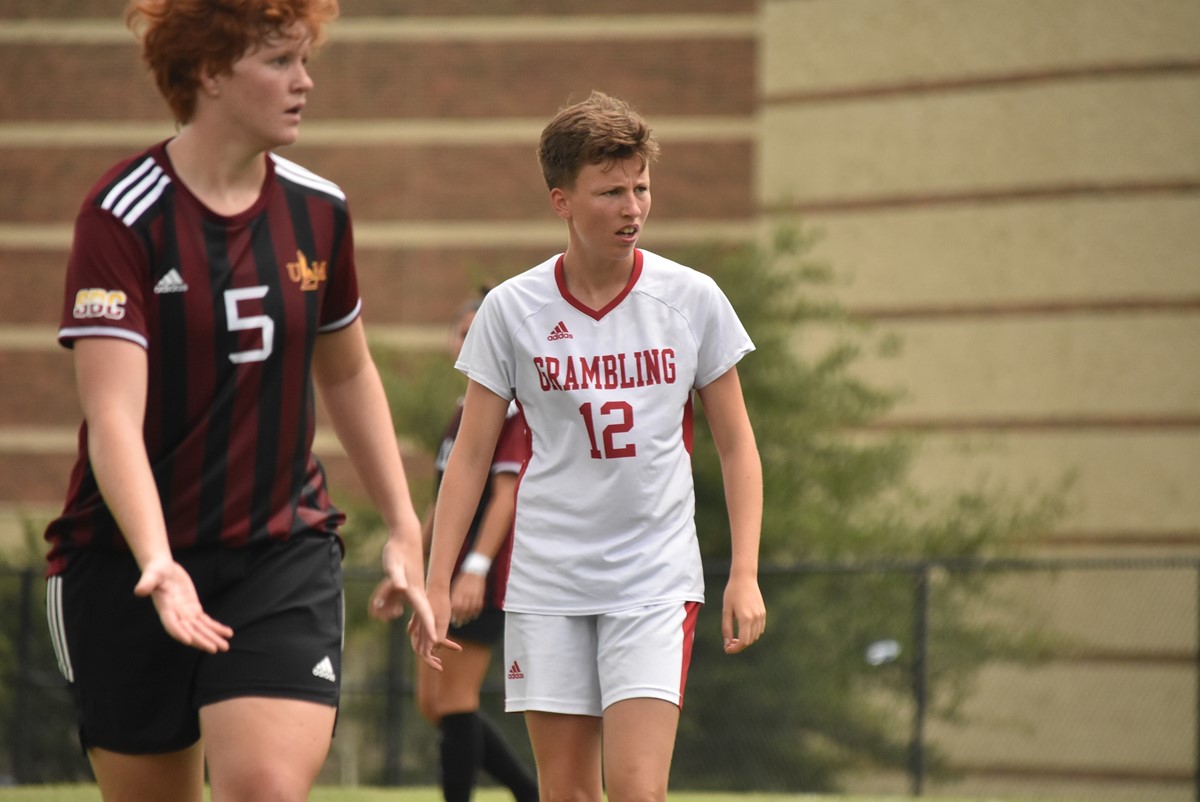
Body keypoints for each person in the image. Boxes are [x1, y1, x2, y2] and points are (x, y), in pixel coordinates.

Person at [41, 2, 437, 801]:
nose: (305, 81)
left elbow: (349, 374)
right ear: (210, 73)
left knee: (262, 787)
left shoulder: (319, 211)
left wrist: (404, 526)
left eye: (303, 59)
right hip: (125, 566)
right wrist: (157, 559)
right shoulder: (121, 217)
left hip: (279, 552)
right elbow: (112, 414)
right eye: (280, 62)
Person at [408, 90, 767, 802]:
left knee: (637, 791)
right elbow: (472, 458)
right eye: (610, 191)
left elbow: (736, 446)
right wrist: (438, 580)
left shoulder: (691, 298)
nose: (632, 207)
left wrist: (746, 572)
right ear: (561, 200)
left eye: (641, 187)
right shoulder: (512, 309)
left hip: (653, 578)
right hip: (547, 580)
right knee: (567, 794)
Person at [371, 299, 539, 802]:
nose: (469, 342)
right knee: (434, 702)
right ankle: (528, 793)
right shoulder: (463, 412)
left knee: (454, 698)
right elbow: (444, 502)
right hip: (442, 574)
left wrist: (475, 569)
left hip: (478, 577)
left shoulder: (508, 410)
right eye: (462, 332)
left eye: (478, 332)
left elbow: (506, 497)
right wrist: (406, 563)